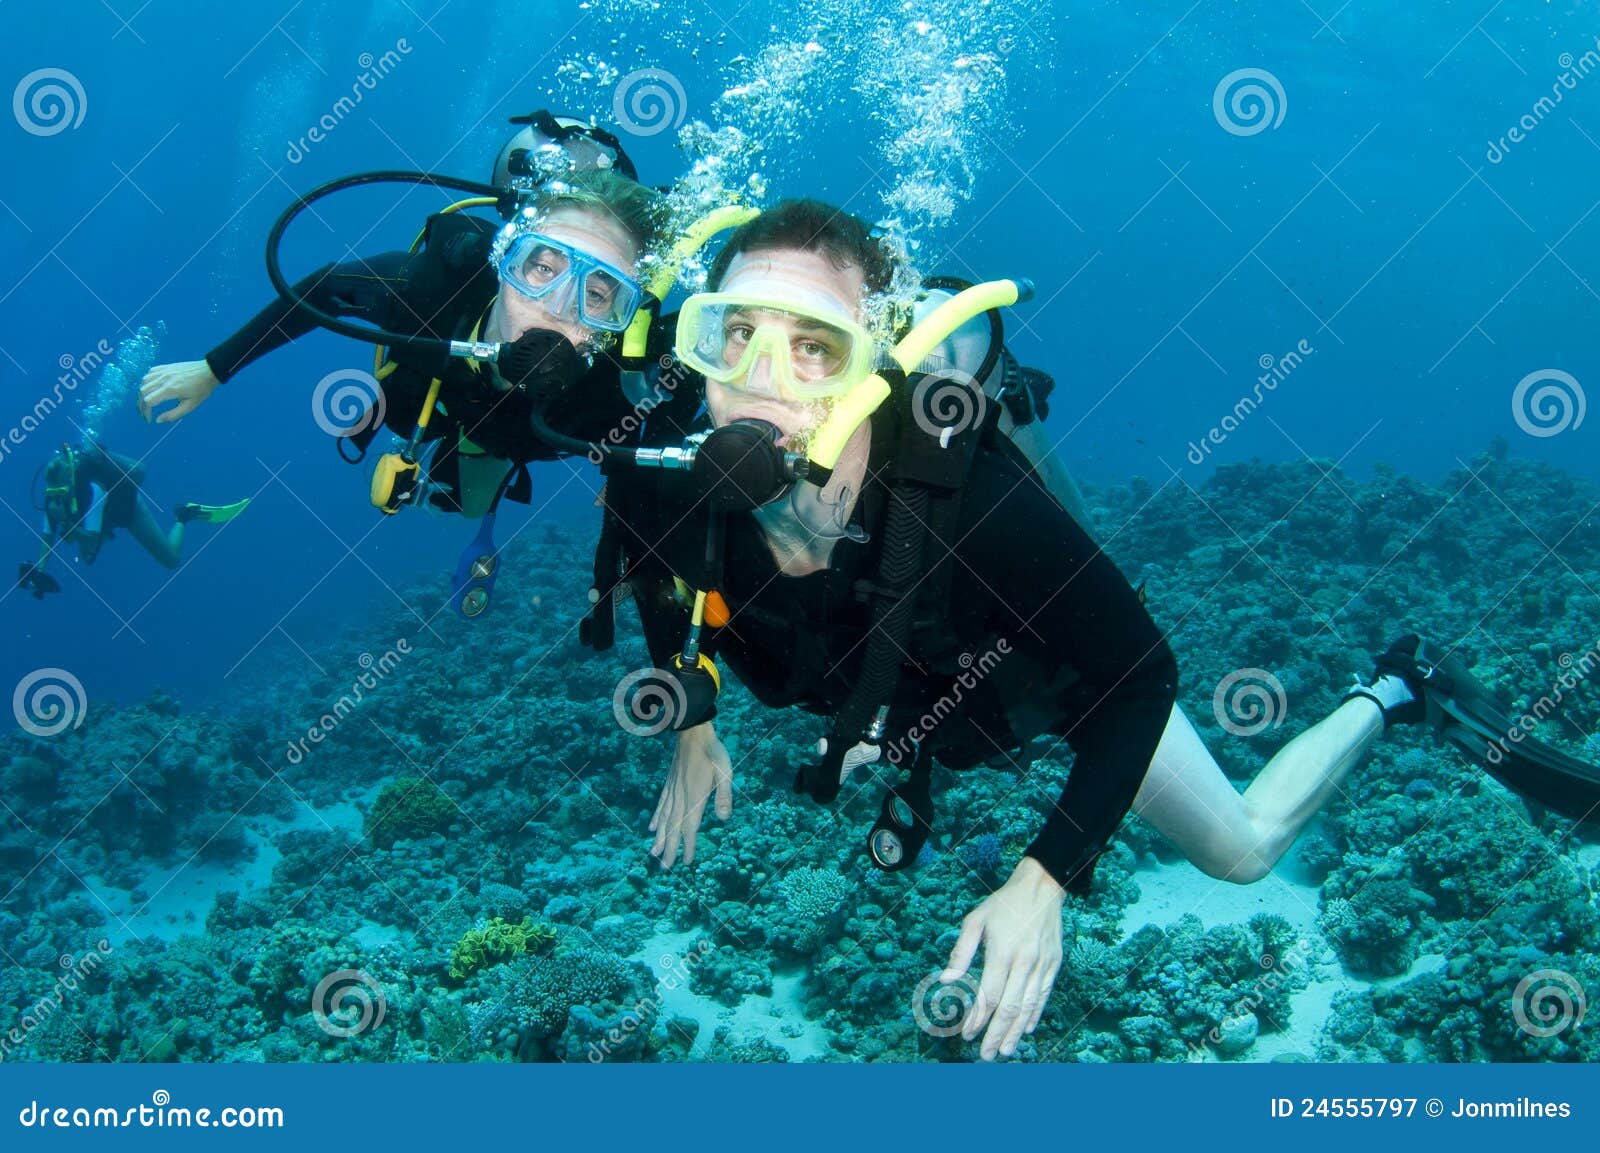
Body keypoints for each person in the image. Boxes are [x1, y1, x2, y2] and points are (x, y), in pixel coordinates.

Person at [596, 200, 1600, 1062]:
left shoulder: (975, 509)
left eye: (815, 346)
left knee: (1243, 854)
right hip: (906, 691)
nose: (762, 379)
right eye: (732, 333)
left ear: (876, 363)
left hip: (1054, 683)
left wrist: (1045, 878)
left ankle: (1397, 685)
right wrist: (694, 718)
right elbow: (649, 572)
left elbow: (1142, 674)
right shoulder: (658, 477)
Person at [137, 113, 663, 520]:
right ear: (503, 261)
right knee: (466, 497)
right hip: (442, 401)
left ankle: (480, 454)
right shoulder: (429, 292)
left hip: (520, 438)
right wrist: (214, 368)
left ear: (623, 312)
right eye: (542, 267)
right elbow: (324, 290)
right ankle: (467, 447)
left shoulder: (634, 366)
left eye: (598, 294)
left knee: (473, 503)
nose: (557, 306)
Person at [17, 441, 247, 596]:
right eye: (54, 493)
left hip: (128, 509)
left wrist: (67, 524)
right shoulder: (53, 500)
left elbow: (92, 540)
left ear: (70, 482)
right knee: (84, 556)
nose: (58, 498)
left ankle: (183, 516)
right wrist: (39, 570)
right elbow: (47, 537)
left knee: (170, 560)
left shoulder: (93, 490)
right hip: (99, 520)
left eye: (62, 492)